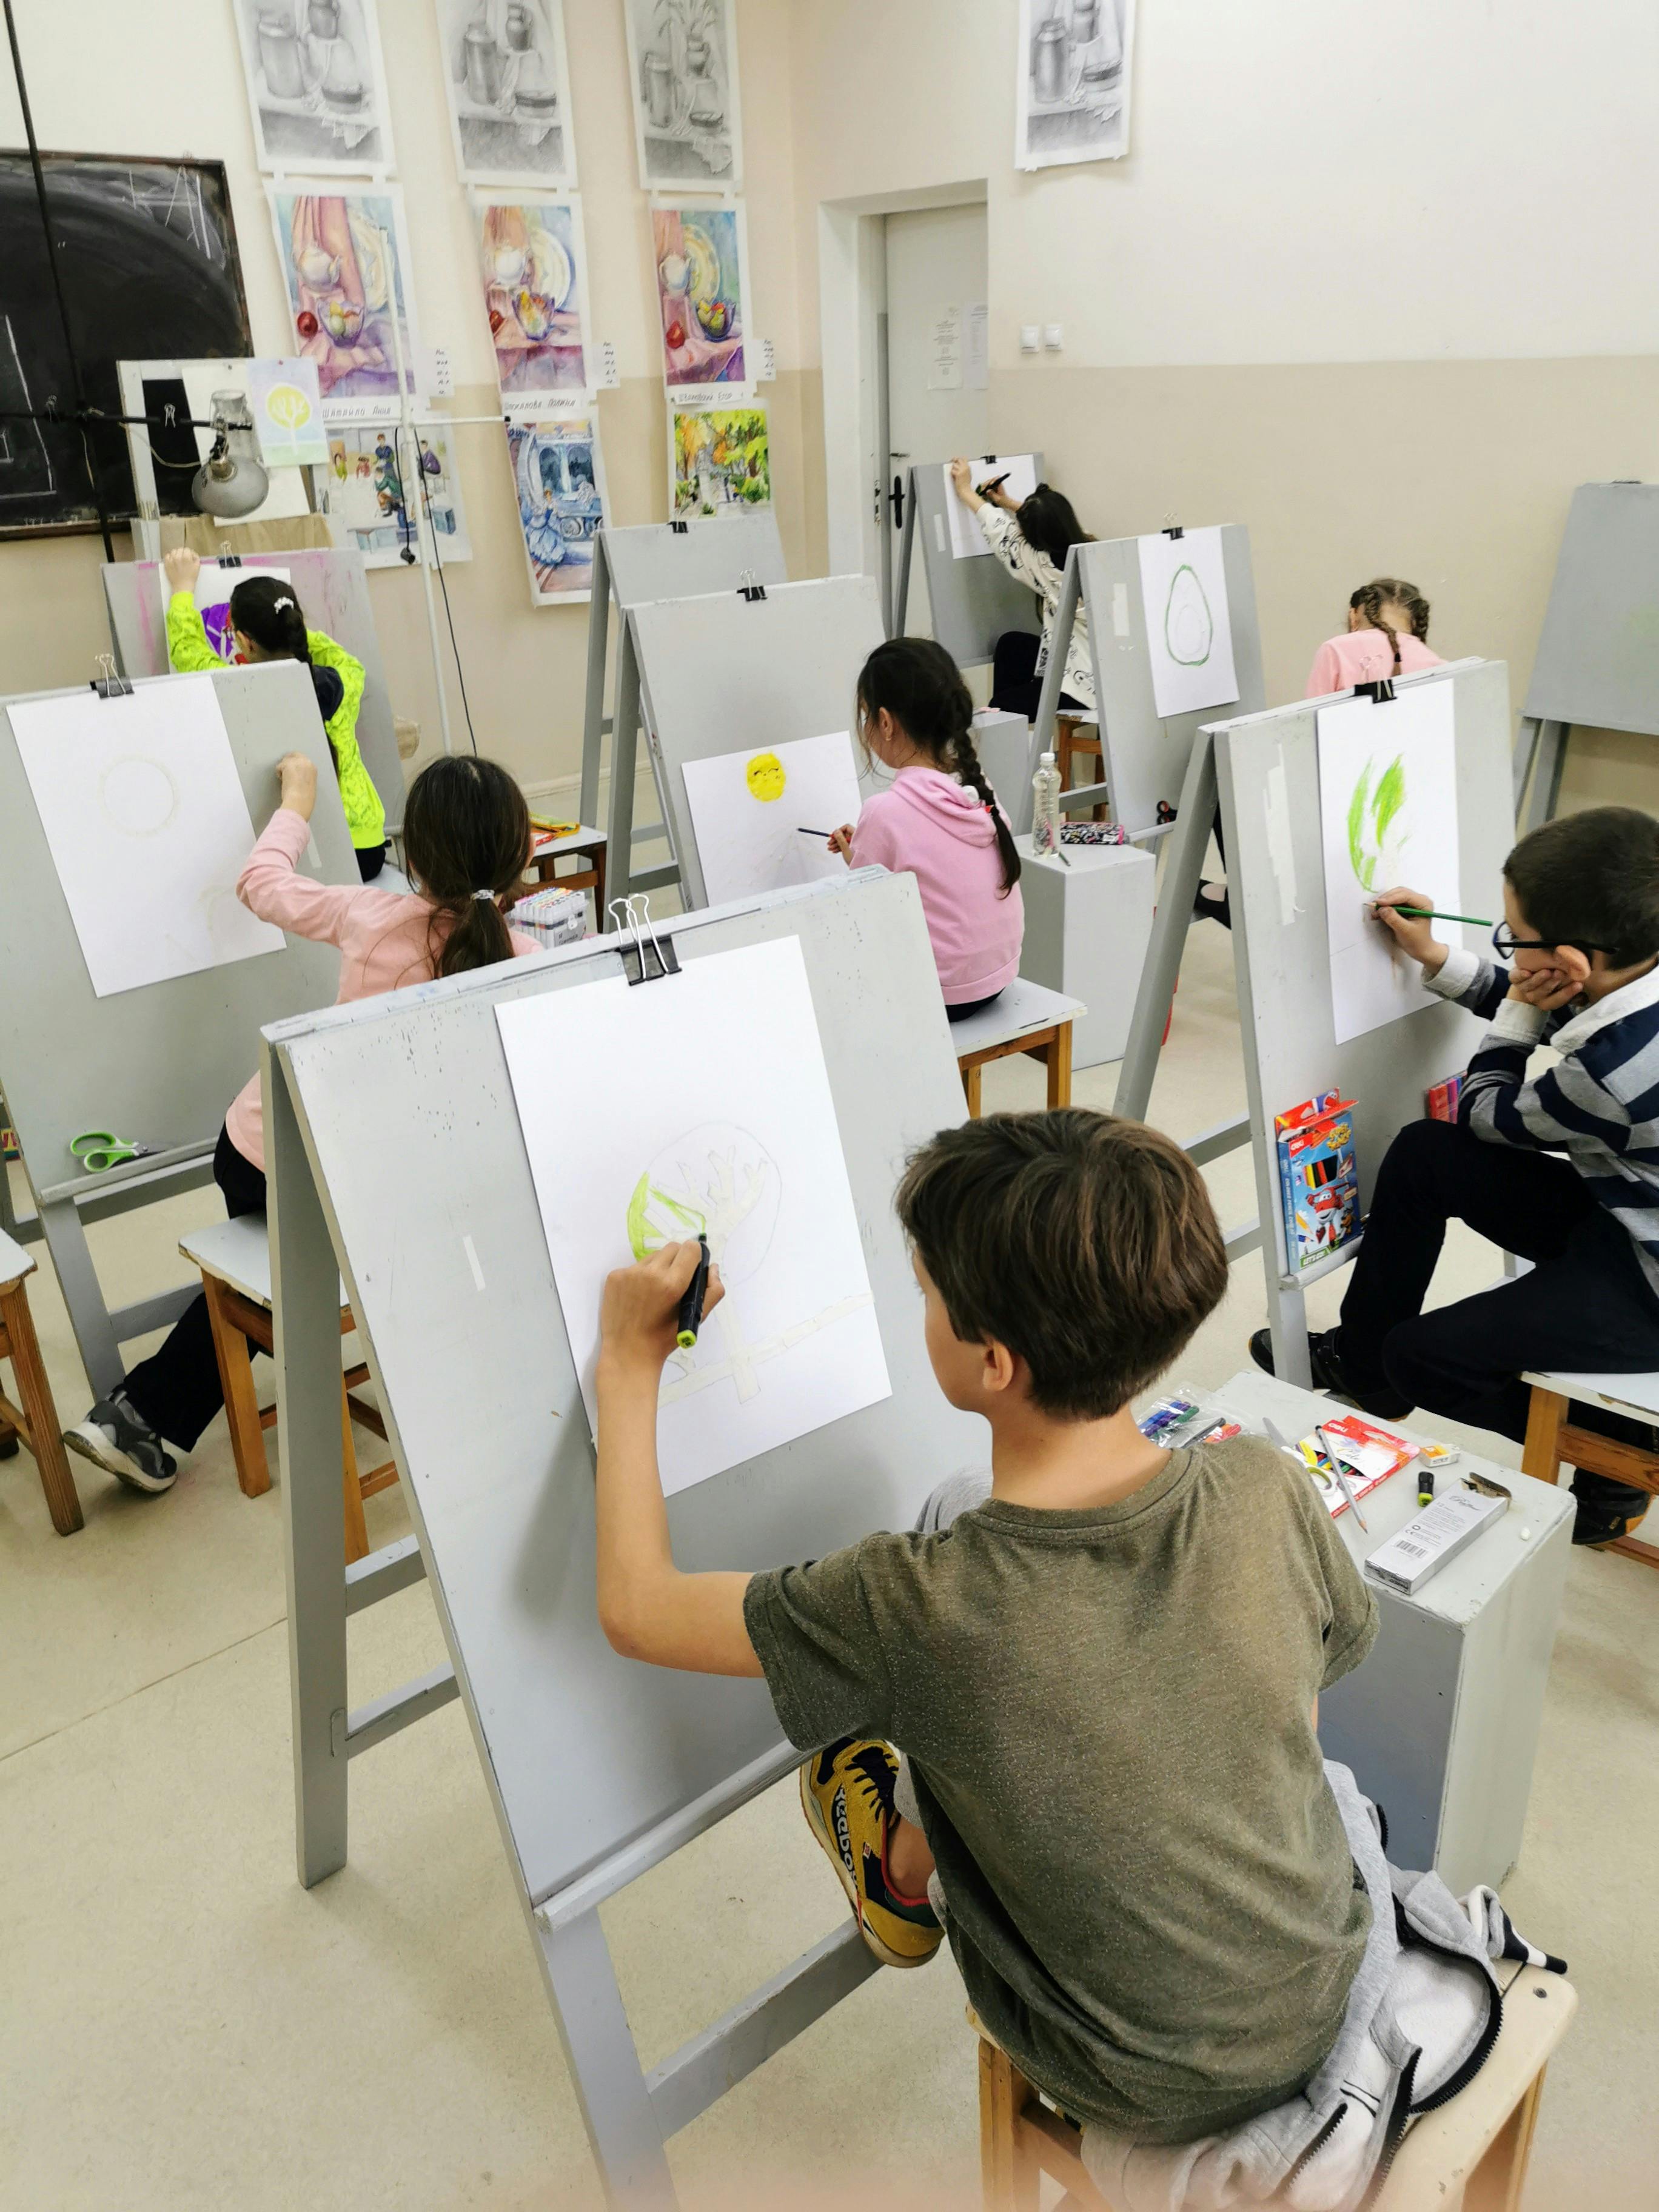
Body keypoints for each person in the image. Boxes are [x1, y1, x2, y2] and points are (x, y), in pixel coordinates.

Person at [590, 1108, 1379, 2145]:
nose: (914, 1307)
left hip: (1130, 2076)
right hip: (1318, 1979)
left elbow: (637, 1606)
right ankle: (912, 1865)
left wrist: (627, 1361)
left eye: (923, 1294)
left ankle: (898, 1874)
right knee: (975, 1541)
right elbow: (1304, 1700)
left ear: (995, 1362)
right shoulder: (1266, 1484)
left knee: (959, 1654)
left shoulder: (917, 1602)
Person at [62, 754, 538, 1496]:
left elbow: (260, 883)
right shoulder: (528, 962)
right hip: (342, 1180)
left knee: (272, 1281)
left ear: (412, 856)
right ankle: (146, 1416)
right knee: (301, 1274)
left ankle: (140, 1416)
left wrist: (296, 801)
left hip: (255, 1146)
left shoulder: (369, 915)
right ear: (528, 851)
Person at [1250, 805, 1659, 1548]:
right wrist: (1439, 957)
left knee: (1426, 1358)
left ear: (1572, 963)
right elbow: (1544, 996)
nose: (1510, 951)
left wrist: (1509, 1013)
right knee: (1423, 1153)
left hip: (1648, 1282)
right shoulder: (1633, 975)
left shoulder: (1615, 1076)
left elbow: (1487, 1108)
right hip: (1630, 1215)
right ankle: (1360, 1362)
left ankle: (1620, 1455)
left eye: (1514, 937)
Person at [162, 545, 389, 882]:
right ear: (296, 624)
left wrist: (182, 592)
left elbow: (187, 653)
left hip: (305, 856)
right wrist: (288, 631)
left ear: (243, 641)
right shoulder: (346, 680)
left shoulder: (238, 689)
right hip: (368, 851)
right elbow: (339, 655)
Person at [828, 637, 1024, 1022]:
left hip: (943, 995)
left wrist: (860, 849)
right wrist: (864, 846)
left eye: (868, 717)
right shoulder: (974, 783)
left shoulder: (885, 811)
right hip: (999, 975)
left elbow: (863, 905)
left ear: (885, 723)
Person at [948, 458, 1096, 722]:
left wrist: (965, 491)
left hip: (1081, 685)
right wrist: (1008, 502)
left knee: (1000, 707)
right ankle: (1020, 725)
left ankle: (1011, 729)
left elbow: (999, 529)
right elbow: (1050, 525)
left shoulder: (1045, 567)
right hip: (1090, 663)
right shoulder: (1088, 545)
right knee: (1012, 645)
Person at [1305, 577, 1443, 698]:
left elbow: (1310, 722)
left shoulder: (1334, 651)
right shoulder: (1437, 664)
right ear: (1417, 623)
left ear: (1354, 616)